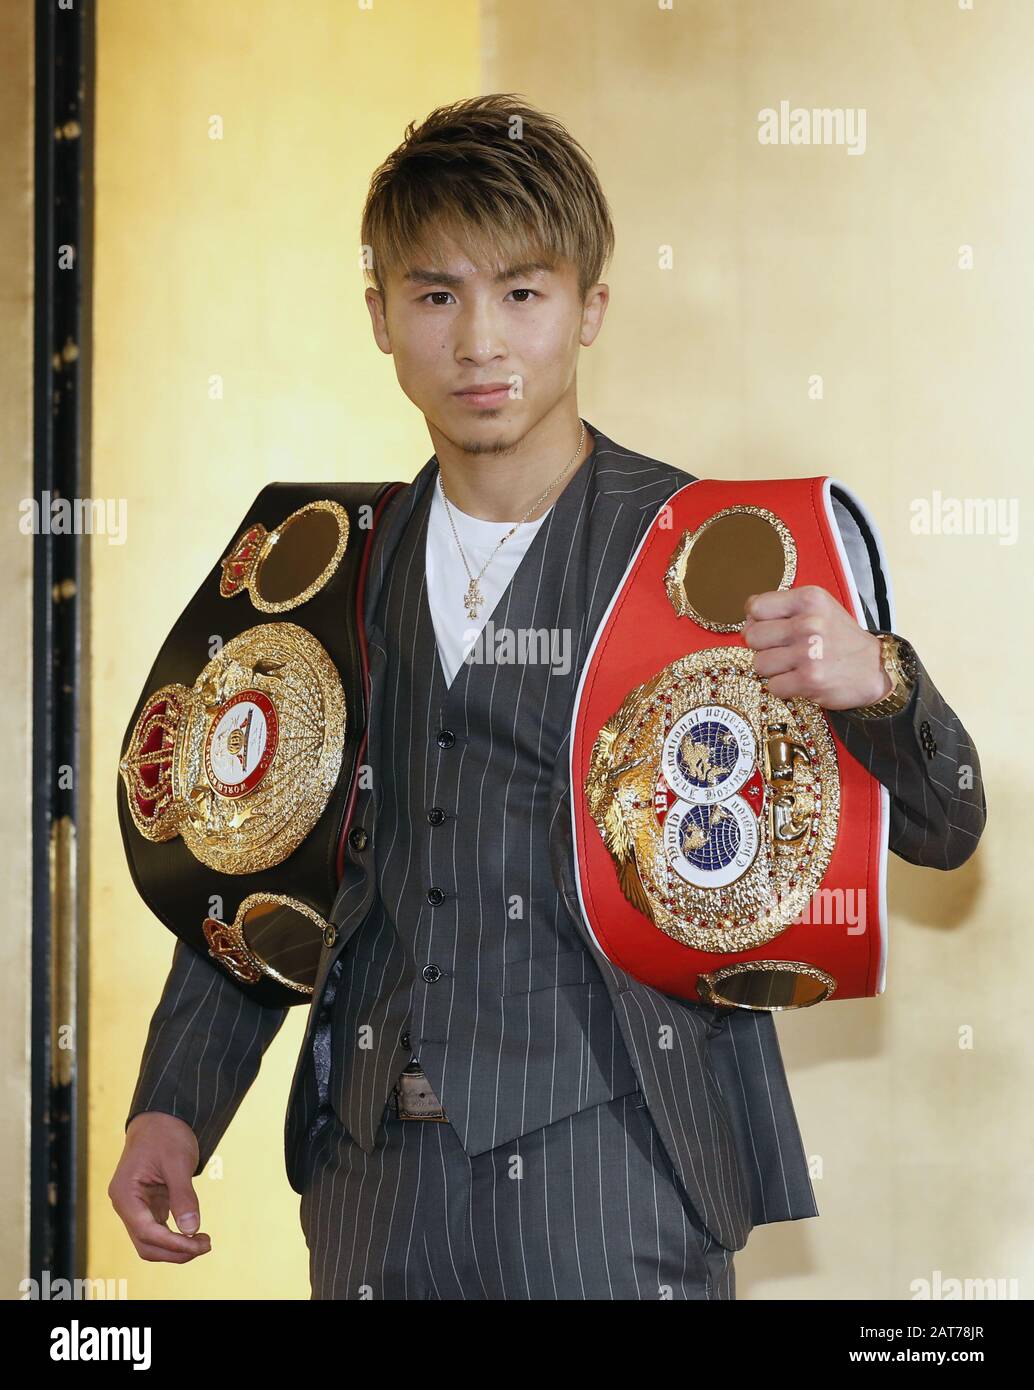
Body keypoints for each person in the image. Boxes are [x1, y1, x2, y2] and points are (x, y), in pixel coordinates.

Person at [108, 93, 987, 1300]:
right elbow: (262, 853)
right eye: (434, 295)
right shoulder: (322, 560)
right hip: (374, 1185)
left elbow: (948, 828)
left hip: (615, 1169)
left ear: (588, 309)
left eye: (521, 293)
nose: (479, 340)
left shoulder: (707, 548)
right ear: (379, 317)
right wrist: (171, 1109)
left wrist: (874, 680)